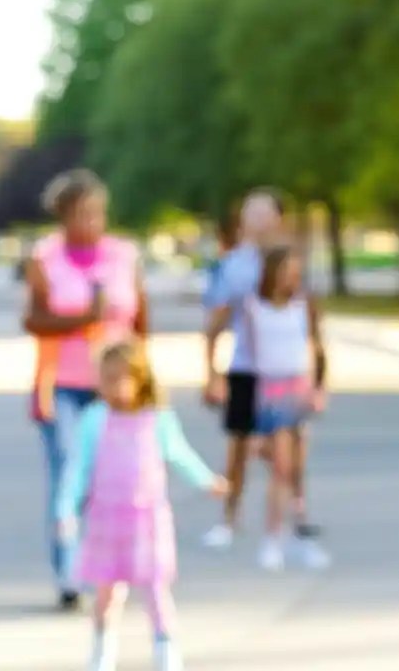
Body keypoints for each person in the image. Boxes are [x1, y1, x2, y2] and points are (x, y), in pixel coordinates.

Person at [57, 340, 228, 671]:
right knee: (107, 594)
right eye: (107, 379)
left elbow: (179, 454)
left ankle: (167, 652)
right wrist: (65, 508)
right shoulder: (95, 419)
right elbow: (78, 467)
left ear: (141, 379)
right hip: (107, 520)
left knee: (156, 590)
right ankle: (101, 653)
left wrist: (207, 480)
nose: (115, 387)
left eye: (122, 378)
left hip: (147, 520)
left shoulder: (156, 418)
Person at [24, 169, 148, 611]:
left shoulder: (123, 256)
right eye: (81, 215)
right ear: (62, 217)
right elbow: (33, 320)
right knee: (68, 476)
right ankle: (69, 572)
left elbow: (139, 321)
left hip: (115, 386)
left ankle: (107, 568)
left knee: (111, 479)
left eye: (97, 213)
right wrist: (83, 319)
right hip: (64, 384)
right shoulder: (45, 258)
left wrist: (144, 378)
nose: (91, 223)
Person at [200, 190, 328, 567]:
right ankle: (229, 517)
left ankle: (297, 513)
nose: (256, 220)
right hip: (246, 367)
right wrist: (211, 373)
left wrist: (317, 382)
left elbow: (312, 324)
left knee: (293, 447)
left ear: (278, 219)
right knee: (239, 444)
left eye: (263, 213)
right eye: (249, 213)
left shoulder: (293, 263)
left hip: (287, 373)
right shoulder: (234, 266)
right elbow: (217, 320)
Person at [243, 245, 329, 570]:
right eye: (286, 271)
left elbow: (318, 348)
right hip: (270, 391)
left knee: (295, 470)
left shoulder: (304, 305)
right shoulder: (254, 307)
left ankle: (298, 531)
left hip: (298, 388)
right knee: (280, 466)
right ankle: (273, 536)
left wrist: (320, 387)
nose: (291, 278)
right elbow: (250, 360)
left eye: (296, 272)